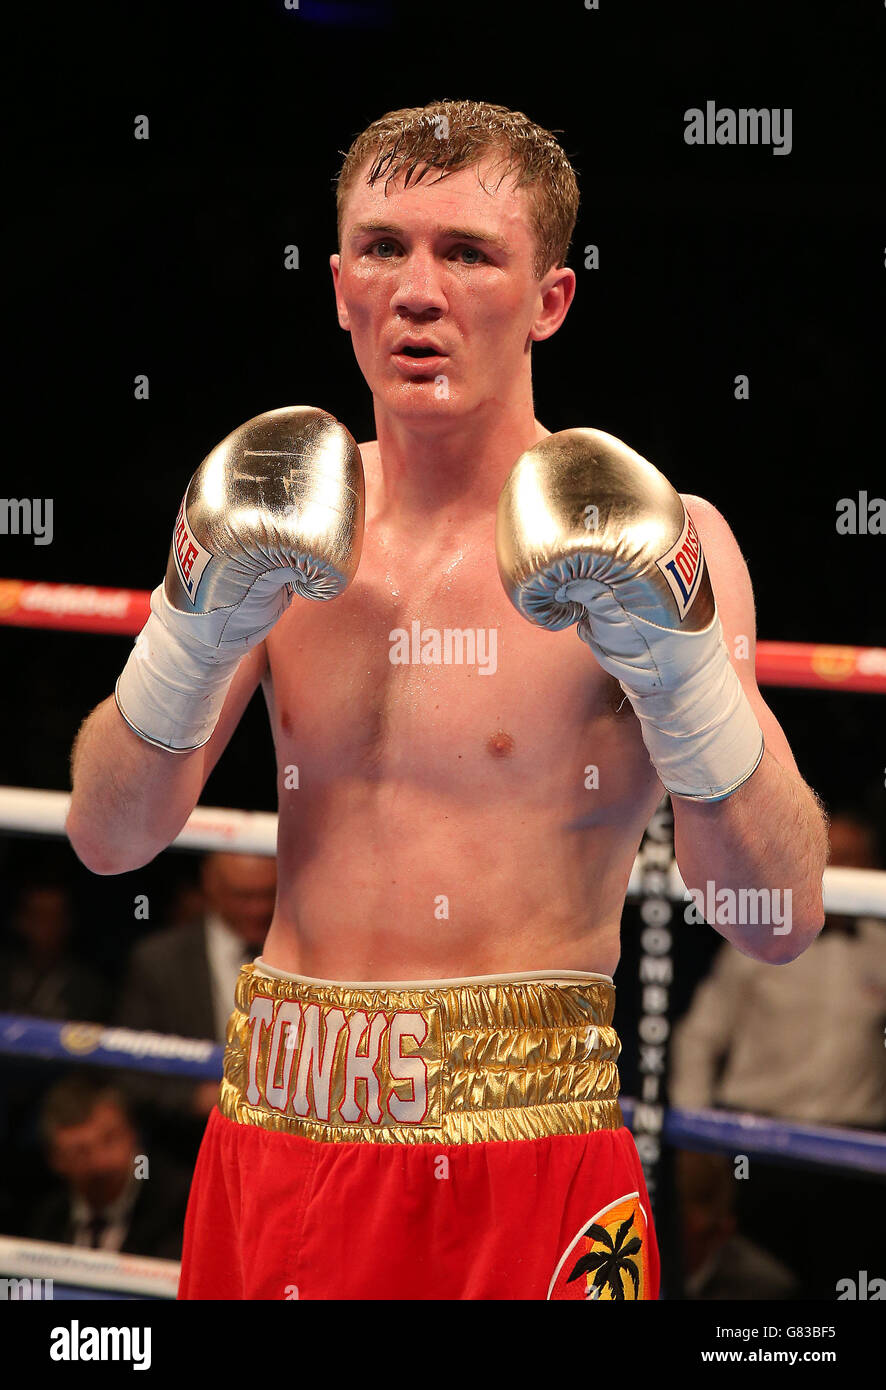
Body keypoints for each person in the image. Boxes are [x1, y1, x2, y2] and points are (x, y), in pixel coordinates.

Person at [65, 99, 828, 1301]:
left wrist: (681, 682)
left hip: (525, 1157)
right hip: (274, 1133)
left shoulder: (663, 538)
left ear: (548, 301)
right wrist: (189, 630)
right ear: (336, 285)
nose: (417, 290)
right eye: (383, 247)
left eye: (467, 253)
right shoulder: (273, 507)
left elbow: (775, 917)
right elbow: (110, 838)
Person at [114, 852, 277, 1161]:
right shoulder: (158, 962)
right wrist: (194, 1098)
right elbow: (129, 1075)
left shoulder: (311, 957)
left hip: (286, 1145)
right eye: (244, 896)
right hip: (187, 1150)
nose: (259, 908)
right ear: (211, 887)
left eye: (269, 894)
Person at [29, 1073, 190, 1260]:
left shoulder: (176, 1205)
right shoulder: (48, 1217)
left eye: (110, 1140)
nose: (101, 1162)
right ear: (55, 1160)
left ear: (133, 1134)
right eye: (81, 1152)